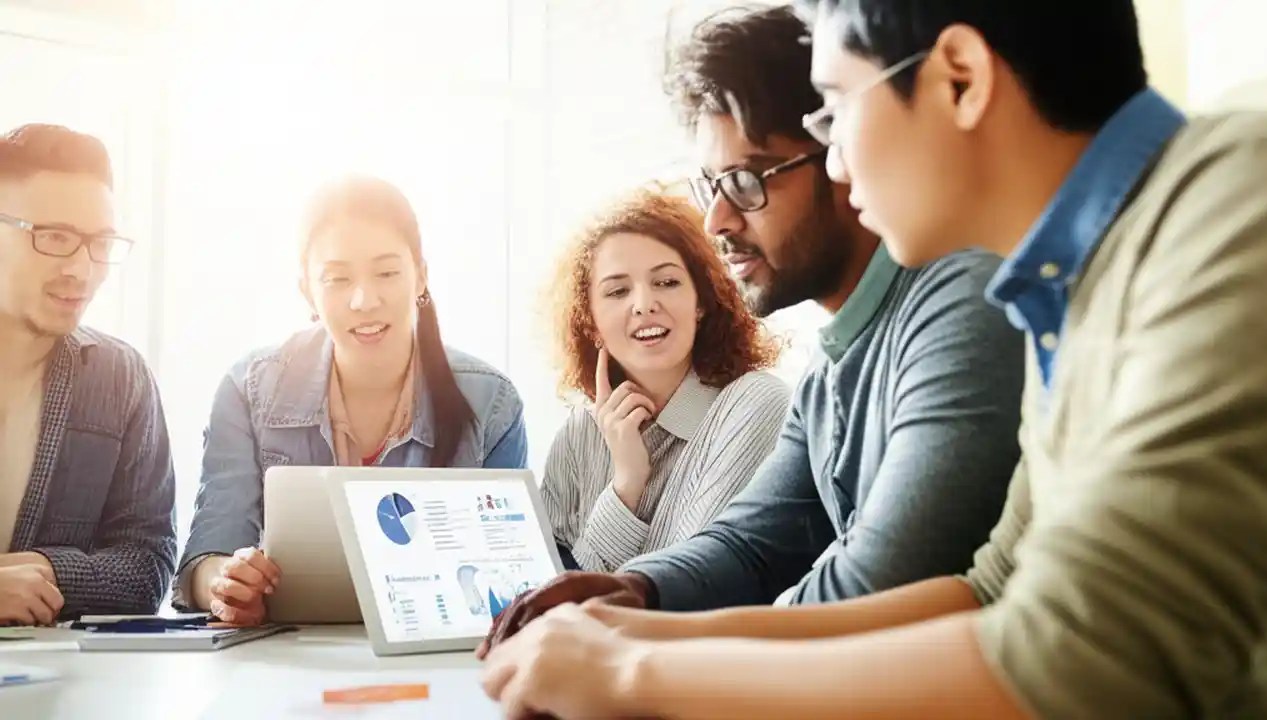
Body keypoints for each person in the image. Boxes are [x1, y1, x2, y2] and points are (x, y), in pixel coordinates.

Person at [477, 1, 1267, 718]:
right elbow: (992, 590)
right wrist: (636, 625)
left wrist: (637, 674)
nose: (833, 161)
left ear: (960, 78)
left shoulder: (1242, 199)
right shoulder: (1059, 288)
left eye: (834, 113)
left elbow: (1086, 663)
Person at [477, 3, 1023, 643]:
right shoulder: (831, 364)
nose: (718, 224)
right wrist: (633, 590)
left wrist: (647, 653)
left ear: (839, 148)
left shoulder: (959, 300)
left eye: (744, 181)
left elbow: (883, 577)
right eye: (711, 188)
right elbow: (750, 543)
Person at [174, 176, 528, 625]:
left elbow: (507, 578)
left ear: (421, 274)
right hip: (288, 655)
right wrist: (227, 585)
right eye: (338, 279)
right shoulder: (250, 388)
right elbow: (207, 556)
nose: (364, 300)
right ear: (307, 291)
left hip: (437, 656)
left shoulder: (490, 402)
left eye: (386, 273)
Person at [541, 190, 789, 573]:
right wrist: (626, 483)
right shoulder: (578, 436)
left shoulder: (757, 404)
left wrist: (625, 489)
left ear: (701, 302)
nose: (643, 304)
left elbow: (694, 583)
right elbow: (548, 598)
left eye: (667, 282)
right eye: (618, 291)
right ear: (590, 323)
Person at [0, 124, 176, 625]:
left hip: (65, 692)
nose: (82, 269)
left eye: (100, 242)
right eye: (54, 237)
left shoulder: (120, 379)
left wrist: (45, 571)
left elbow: (147, 566)